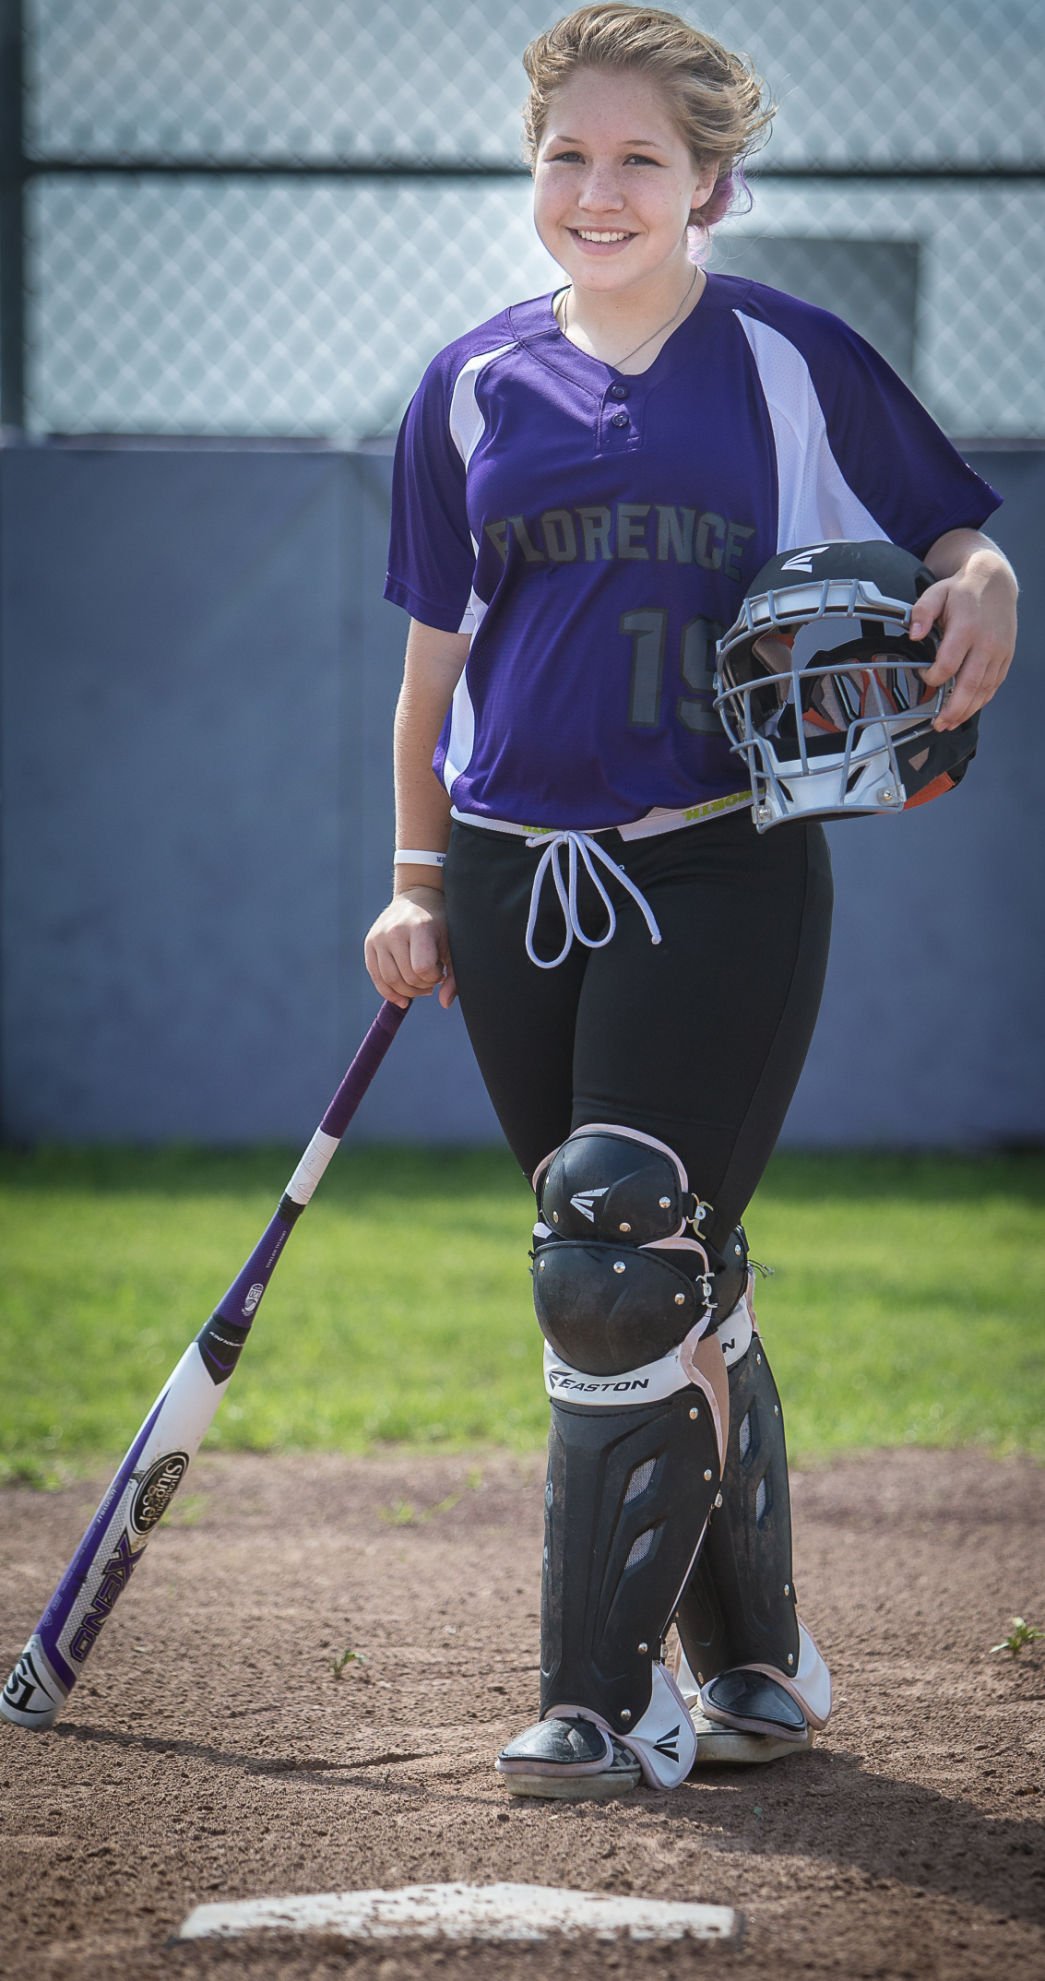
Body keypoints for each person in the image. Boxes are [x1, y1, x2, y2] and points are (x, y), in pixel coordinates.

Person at [365, 3, 1017, 1800]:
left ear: (710, 182)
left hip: (719, 859)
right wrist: (415, 883)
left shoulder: (791, 358)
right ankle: (759, 1664)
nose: (596, 187)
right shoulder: (470, 382)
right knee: (658, 1278)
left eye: (638, 156)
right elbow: (433, 682)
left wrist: (988, 583)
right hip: (509, 879)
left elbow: (951, 531)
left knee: (609, 1240)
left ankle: (599, 1699)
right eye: (567, 153)